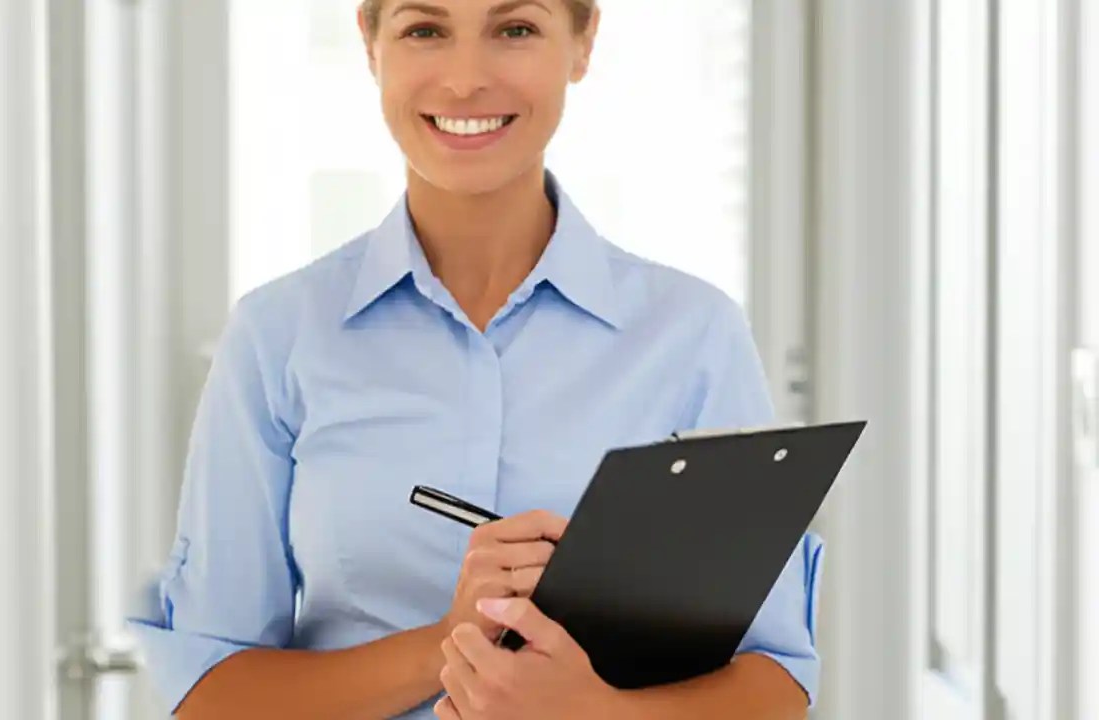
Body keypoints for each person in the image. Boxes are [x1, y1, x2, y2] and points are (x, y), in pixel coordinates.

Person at [128, 0, 824, 717]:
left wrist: (587, 710)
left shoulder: (693, 336)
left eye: (515, 29)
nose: (465, 81)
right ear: (371, 46)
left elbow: (773, 680)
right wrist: (449, 644)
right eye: (424, 30)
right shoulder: (278, 336)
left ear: (582, 45)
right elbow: (210, 693)